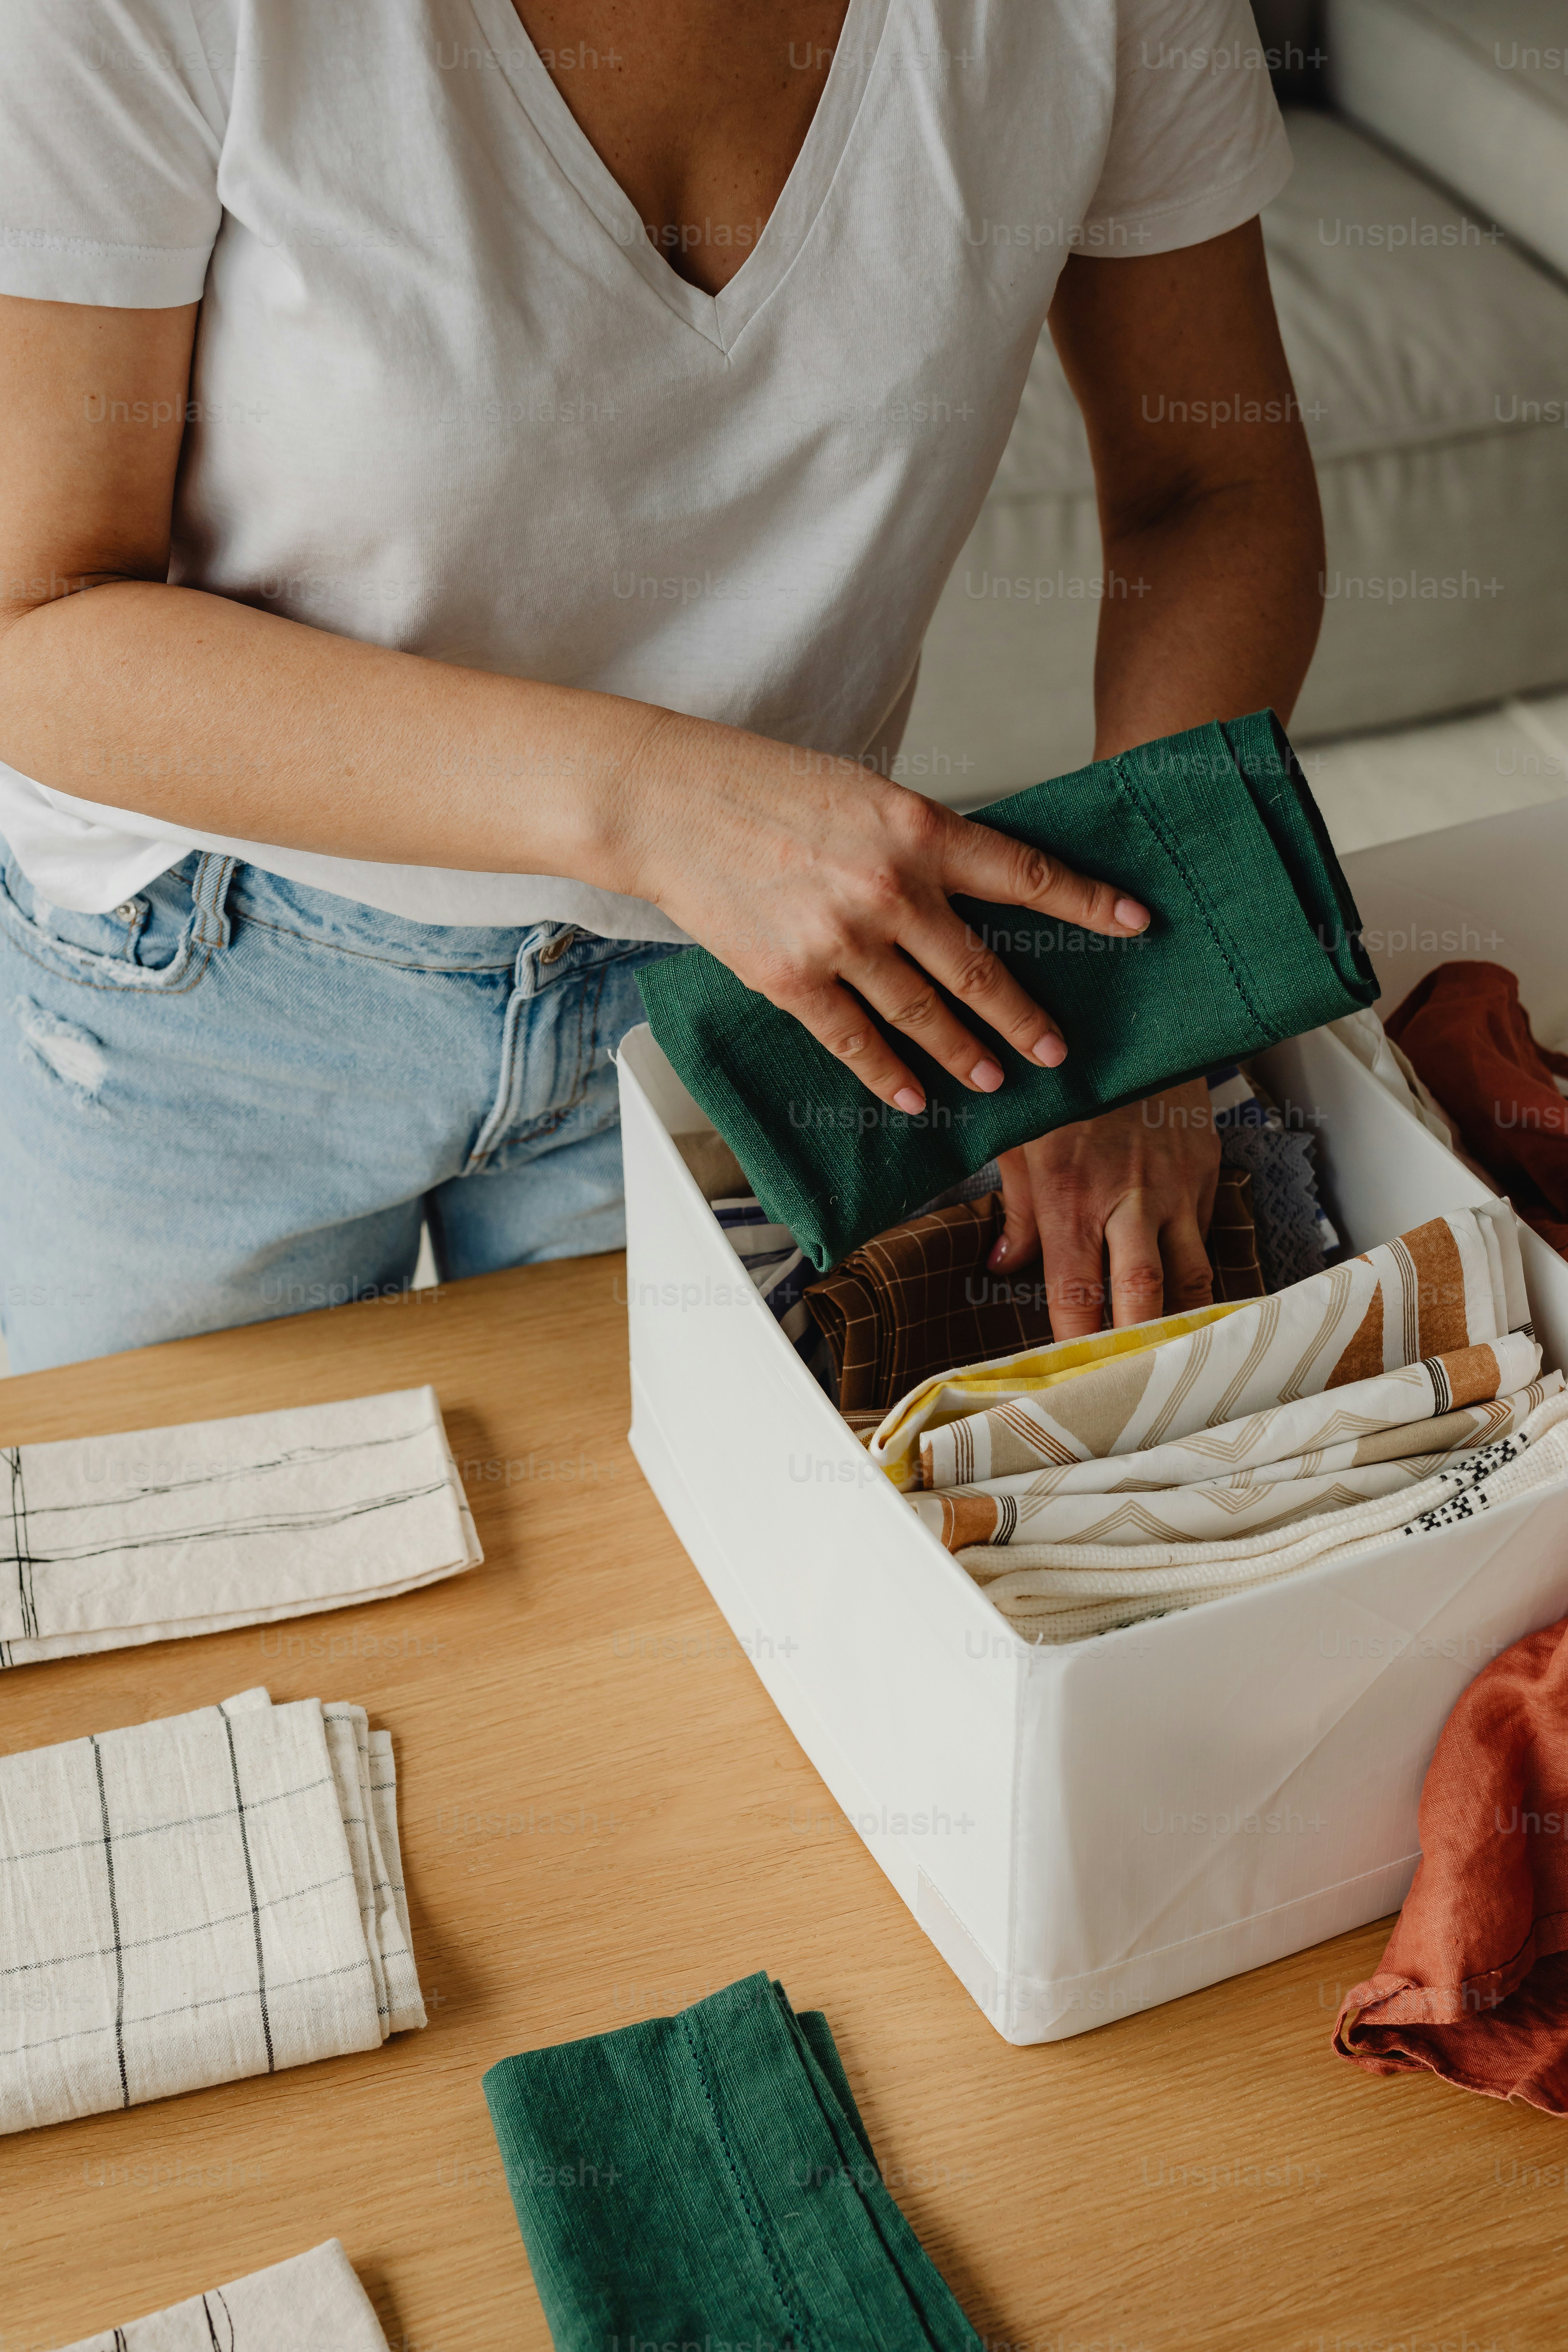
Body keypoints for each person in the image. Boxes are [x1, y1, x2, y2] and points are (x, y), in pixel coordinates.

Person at [0, 0, 1322, 1375]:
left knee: (682, 1567)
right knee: (197, 1570)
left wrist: (1153, 997)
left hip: (757, 999)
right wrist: (652, 805)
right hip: (210, 989)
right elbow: (33, 619)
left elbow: (1207, 488)